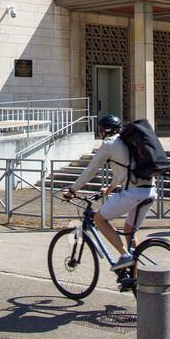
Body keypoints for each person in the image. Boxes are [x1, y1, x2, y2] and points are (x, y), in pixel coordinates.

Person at [62, 113, 157, 270]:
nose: (99, 133)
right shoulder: (129, 142)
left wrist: (73, 189)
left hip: (132, 193)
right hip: (150, 191)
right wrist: (110, 188)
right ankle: (135, 278)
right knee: (129, 231)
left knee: (99, 219)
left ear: (104, 131)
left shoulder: (109, 144)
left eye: (100, 130)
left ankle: (124, 255)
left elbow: (91, 169)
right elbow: (126, 170)